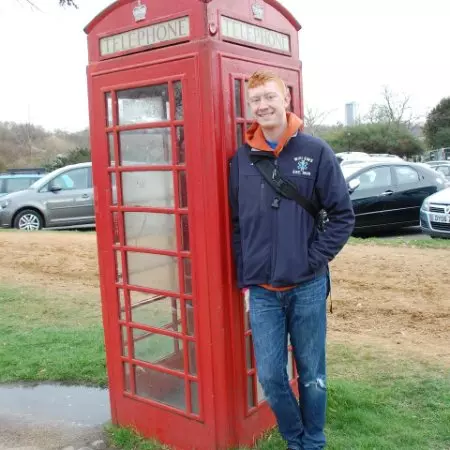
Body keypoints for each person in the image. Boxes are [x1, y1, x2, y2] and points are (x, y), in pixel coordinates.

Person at [228, 70, 355, 450]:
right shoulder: (241, 159)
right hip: (264, 290)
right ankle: (294, 438)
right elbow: (236, 223)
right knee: (270, 376)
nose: (263, 105)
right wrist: (245, 272)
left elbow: (343, 216)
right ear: (249, 107)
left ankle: (312, 442)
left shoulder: (315, 152)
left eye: (269, 97)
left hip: (307, 286)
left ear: (286, 100)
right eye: (255, 100)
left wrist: (310, 260)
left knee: (312, 374)